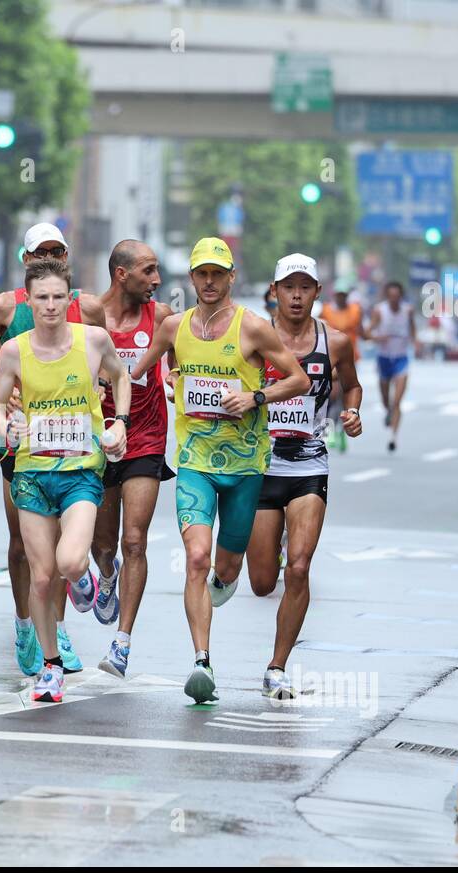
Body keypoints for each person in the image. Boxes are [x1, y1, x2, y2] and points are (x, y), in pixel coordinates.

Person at [129, 237, 308, 704]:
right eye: (201, 274)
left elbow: (299, 378)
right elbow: (137, 371)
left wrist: (256, 397)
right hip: (194, 464)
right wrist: (167, 378)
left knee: (227, 569)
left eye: (217, 274)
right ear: (190, 278)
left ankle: (223, 583)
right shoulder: (173, 326)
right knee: (195, 558)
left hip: (246, 468)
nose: (208, 282)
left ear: (231, 277)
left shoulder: (252, 329)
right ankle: (202, 662)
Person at [0, 258, 132, 702]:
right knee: (43, 577)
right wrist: (3, 427)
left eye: (57, 297)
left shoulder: (92, 340)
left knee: (70, 563)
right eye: (41, 297)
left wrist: (119, 423)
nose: (49, 305)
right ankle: (50, 666)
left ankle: (86, 577)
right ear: (28, 301)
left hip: (80, 472)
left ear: (69, 300)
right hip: (32, 473)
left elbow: (122, 375)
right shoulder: (15, 350)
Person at [244, 254, 363, 699]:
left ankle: (277, 666)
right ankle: (270, 547)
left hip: (310, 464)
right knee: (261, 583)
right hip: (260, 464)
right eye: (288, 287)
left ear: (317, 293)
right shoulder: (254, 336)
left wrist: (351, 410)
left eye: (305, 287)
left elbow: (351, 383)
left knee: (299, 566)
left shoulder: (335, 341)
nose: (296, 295)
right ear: (273, 291)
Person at [89, 239, 175, 678]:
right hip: (98, 440)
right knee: (102, 545)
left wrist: (176, 378)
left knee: (135, 539)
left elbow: (176, 359)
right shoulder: (89, 317)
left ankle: (121, 644)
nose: (157, 281)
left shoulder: (160, 317)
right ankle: (106, 574)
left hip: (145, 437)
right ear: (121, 274)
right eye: (148, 271)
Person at [366, 280, 414, 452]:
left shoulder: (408, 310)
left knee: (397, 401)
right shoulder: (380, 310)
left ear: (401, 296)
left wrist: (416, 342)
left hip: (401, 359)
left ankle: (393, 437)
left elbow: (412, 329)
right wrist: (379, 338)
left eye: (397, 297)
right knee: (386, 400)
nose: (394, 300)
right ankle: (388, 412)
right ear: (387, 296)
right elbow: (367, 333)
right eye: (391, 297)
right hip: (384, 359)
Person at [320, 284, 362, 453]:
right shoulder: (326, 311)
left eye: (344, 294)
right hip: (329, 358)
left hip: (350, 359)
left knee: (344, 398)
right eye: (338, 294)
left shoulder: (355, 311)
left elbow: (361, 330)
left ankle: (341, 430)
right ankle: (329, 433)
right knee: (331, 396)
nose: (341, 298)